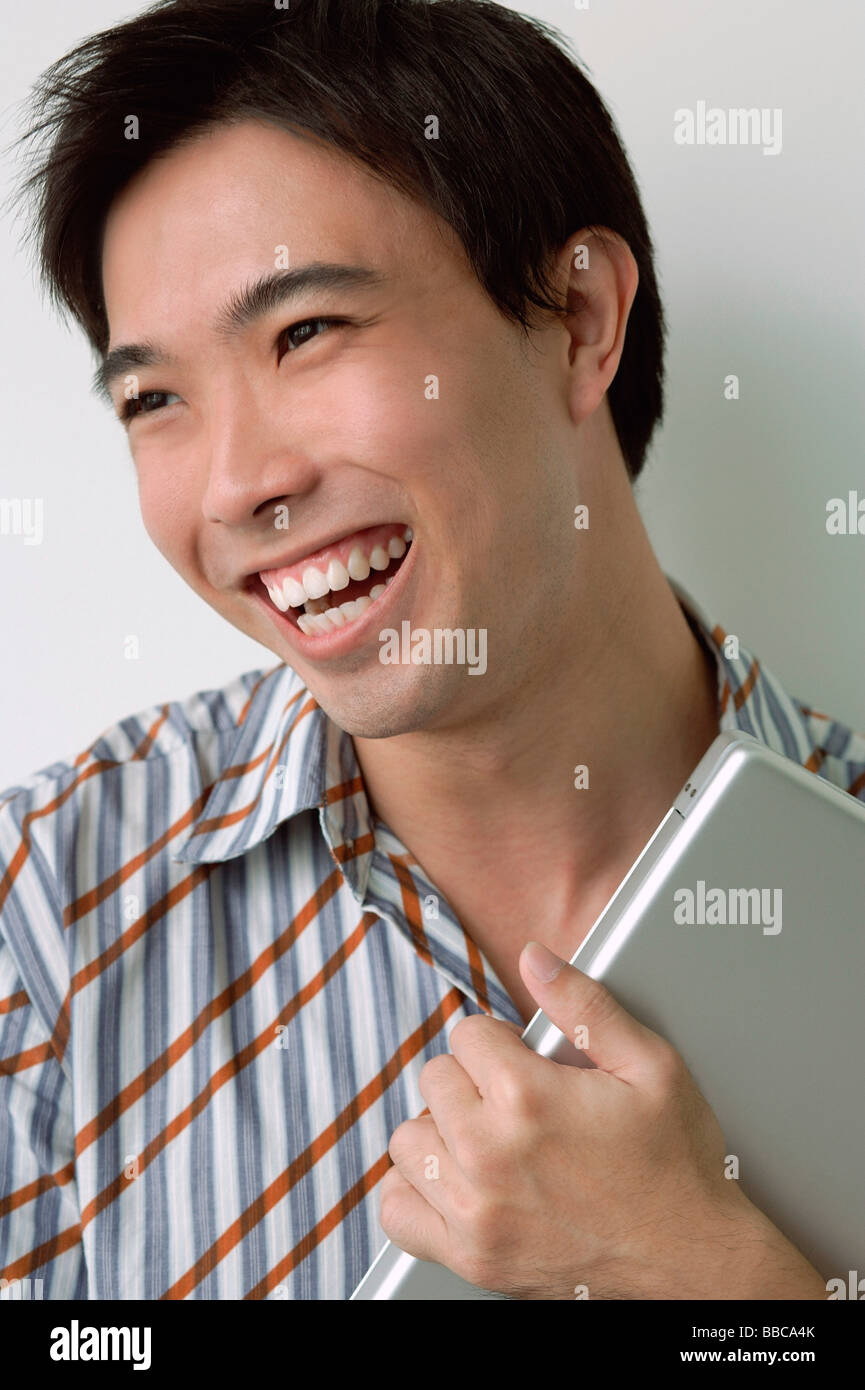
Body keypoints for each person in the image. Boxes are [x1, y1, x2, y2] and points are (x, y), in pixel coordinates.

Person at [1, 0, 860, 1301]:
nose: (237, 483)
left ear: (577, 319)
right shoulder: (41, 922)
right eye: (154, 400)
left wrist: (720, 1285)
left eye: (306, 334)